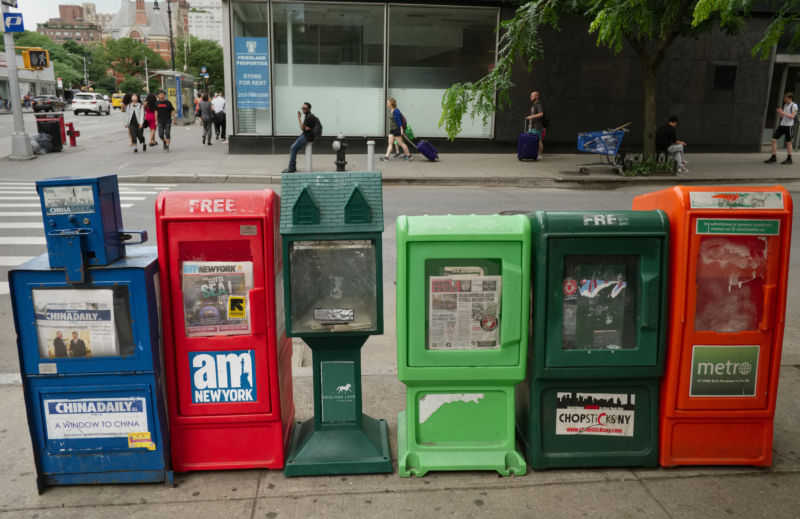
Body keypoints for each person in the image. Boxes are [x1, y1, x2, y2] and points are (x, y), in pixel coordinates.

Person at [282, 102, 317, 173]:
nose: (303, 110)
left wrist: (299, 118)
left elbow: (302, 128)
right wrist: (304, 127)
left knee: (293, 148)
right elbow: (304, 127)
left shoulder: (308, 117)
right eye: (302, 108)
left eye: (305, 108)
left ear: (309, 109)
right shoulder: (309, 116)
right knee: (293, 148)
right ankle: (293, 167)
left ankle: (291, 168)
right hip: (306, 135)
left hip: (306, 136)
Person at [765, 92, 798, 165]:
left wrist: (782, 112)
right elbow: (783, 117)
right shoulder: (785, 105)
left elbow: (792, 117)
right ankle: (773, 157)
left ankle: (789, 158)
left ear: (790, 99)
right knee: (773, 139)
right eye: (784, 99)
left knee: (788, 142)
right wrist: (779, 113)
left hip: (789, 126)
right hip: (782, 125)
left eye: (786, 99)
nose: (784, 100)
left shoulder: (794, 105)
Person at [526, 91, 546, 159]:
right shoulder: (534, 105)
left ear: (537, 97)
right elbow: (533, 114)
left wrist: (531, 117)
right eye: (531, 96)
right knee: (529, 137)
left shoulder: (539, 105)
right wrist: (530, 124)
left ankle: (540, 155)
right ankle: (533, 152)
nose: (530, 97)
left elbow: (541, 114)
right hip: (532, 126)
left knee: (539, 140)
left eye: (532, 96)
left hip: (537, 126)